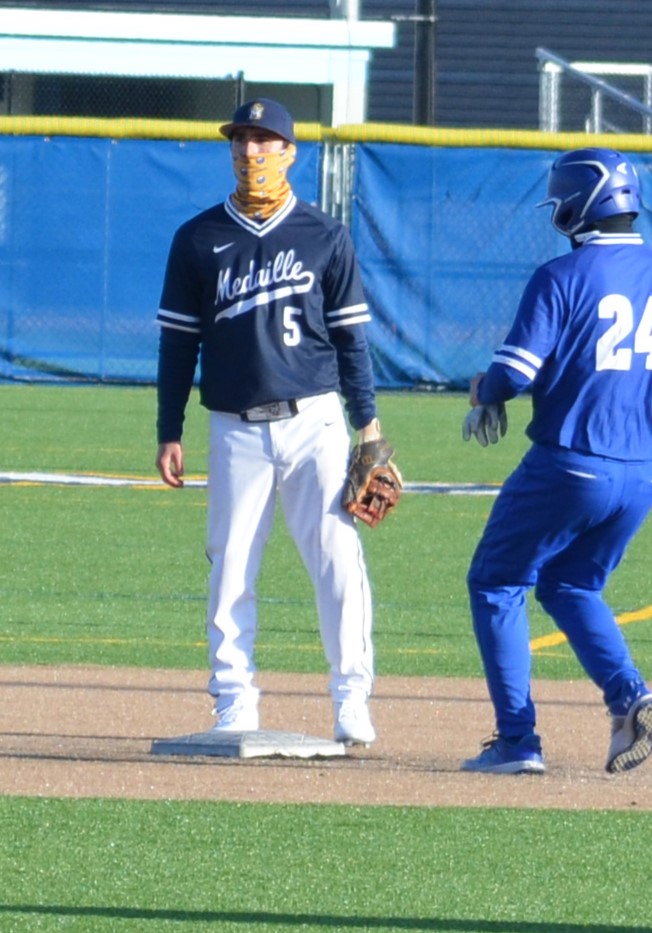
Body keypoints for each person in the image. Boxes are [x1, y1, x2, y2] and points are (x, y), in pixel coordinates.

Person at [459, 147, 652, 775]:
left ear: (580, 202)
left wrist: (485, 392)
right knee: (571, 583)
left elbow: (514, 372)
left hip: (573, 459)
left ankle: (517, 741)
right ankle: (628, 696)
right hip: (647, 469)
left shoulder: (562, 275)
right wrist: (643, 412)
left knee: (496, 581)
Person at [154, 98, 381, 746]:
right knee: (229, 568)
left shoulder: (325, 236)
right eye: (241, 141)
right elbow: (178, 344)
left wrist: (368, 428)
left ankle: (351, 697)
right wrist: (168, 428)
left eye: (264, 141)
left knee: (338, 556)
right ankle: (234, 700)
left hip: (315, 421)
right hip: (234, 426)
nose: (250, 151)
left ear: (289, 152)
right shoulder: (198, 239)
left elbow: (351, 344)